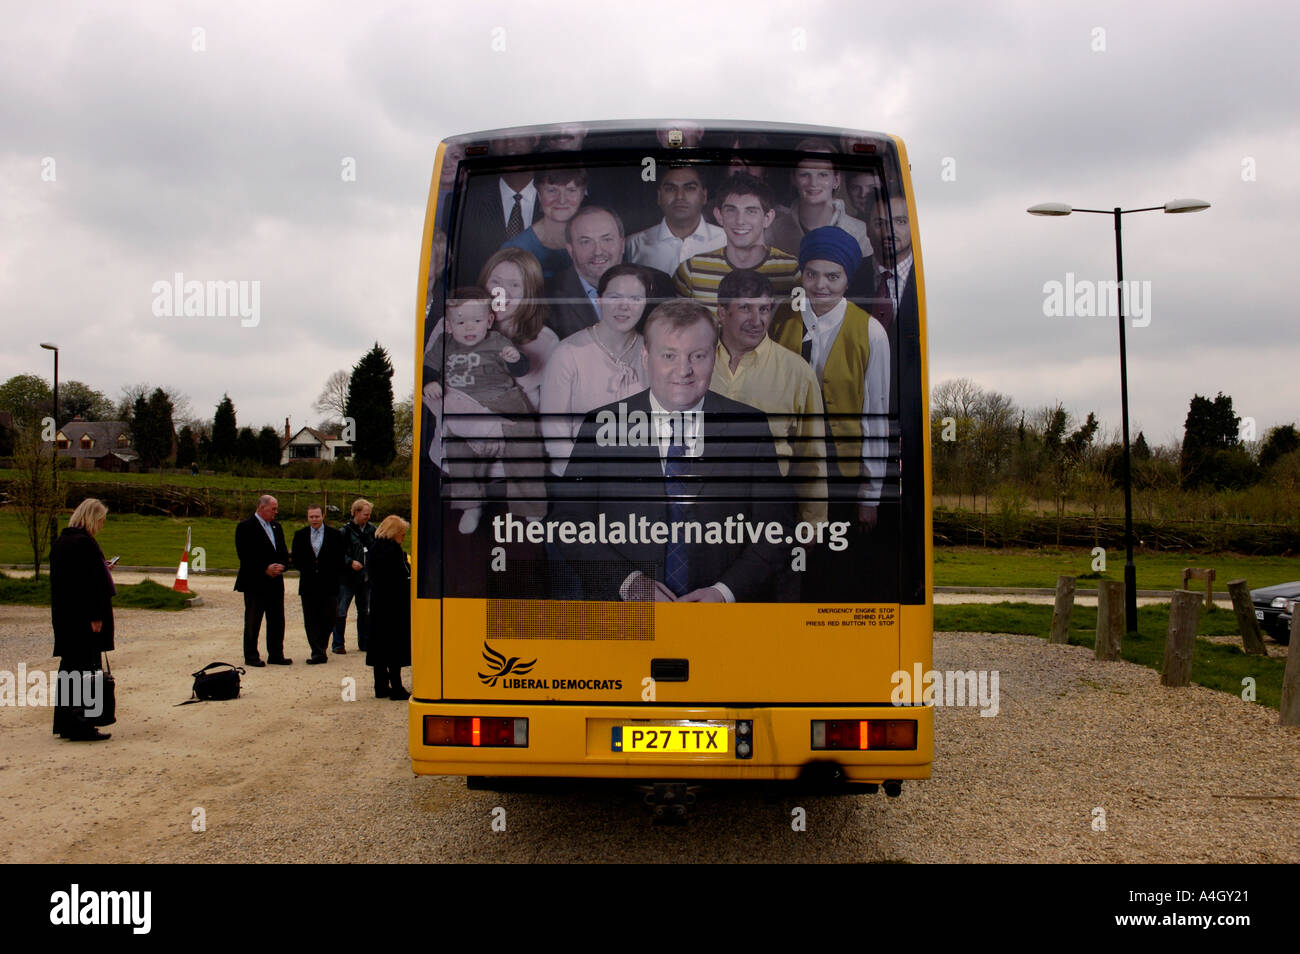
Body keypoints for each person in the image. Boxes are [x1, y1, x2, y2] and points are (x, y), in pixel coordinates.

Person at [553, 299, 792, 603]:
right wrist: (628, 583)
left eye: (698, 356)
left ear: (714, 357)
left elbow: (777, 530)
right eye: (669, 355)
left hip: (721, 621)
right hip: (625, 618)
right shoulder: (603, 426)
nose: (684, 370)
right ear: (645, 356)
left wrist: (724, 593)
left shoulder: (749, 426)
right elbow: (567, 523)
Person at [769, 227, 890, 530]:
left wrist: (871, 496)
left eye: (832, 277)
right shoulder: (780, 319)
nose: (820, 285)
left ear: (847, 279)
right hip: (785, 461)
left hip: (841, 469)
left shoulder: (871, 331)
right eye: (812, 274)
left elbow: (875, 414)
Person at [710, 269, 828, 526]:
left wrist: (813, 521)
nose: (757, 320)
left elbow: (812, 455)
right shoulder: (696, 363)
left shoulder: (796, 372)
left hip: (768, 510)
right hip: (703, 511)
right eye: (745, 309)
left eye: (763, 310)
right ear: (721, 312)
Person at [424, 287, 547, 534]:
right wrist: (431, 381)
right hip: (463, 403)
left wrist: (515, 359)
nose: (469, 328)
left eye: (477, 321)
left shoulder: (497, 341)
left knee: (526, 446)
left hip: (503, 399)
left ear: (489, 321)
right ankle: (470, 505)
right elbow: (428, 367)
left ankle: (531, 506)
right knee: (458, 451)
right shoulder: (443, 343)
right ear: (449, 324)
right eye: (461, 322)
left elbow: (521, 369)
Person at [540, 263, 652, 475]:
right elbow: (555, 433)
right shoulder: (567, 353)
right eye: (614, 297)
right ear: (599, 300)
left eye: (635, 299)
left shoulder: (654, 352)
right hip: (581, 478)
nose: (624, 306)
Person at [543, 205, 675, 340]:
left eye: (607, 239)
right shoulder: (546, 296)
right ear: (571, 250)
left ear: (622, 244)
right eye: (586, 242)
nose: (598, 251)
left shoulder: (659, 283)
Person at [673, 174, 799, 315]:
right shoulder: (691, 270)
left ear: (767, 218)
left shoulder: (793, 270)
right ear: (719, 215)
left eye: (751, 211)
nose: (740, 220)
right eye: (731, 210)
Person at [50, 498, 115, 741]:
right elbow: (89, 585)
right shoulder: (84, 544)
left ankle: (66, 721)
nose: (101, 526)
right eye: (100, 521)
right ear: (92, 518)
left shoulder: (62, 542)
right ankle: (82, 723)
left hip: (66, 617)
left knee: (69, 668)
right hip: (83, 618)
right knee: (86, 668)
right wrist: (96, 615)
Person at [766, 139, 873, 262]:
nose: (813, 183)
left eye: (823, 175)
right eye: (804, 174)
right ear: (793, 179)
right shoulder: (774, 231)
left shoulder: (861, 233)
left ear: (836, 180)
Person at [478, 247, 558, 409]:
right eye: (495, 282)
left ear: (530, 293)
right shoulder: (454, 326)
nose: (501, 293)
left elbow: (551, 411)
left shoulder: (547, 341)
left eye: (514, 285)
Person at [625, 165, 725, 275]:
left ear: (704, 196)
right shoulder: (633, 245)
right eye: (670, 189)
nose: (679, 196)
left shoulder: (726, 241)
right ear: (659, 196)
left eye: (690, 188)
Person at [234, 494, 291, 666]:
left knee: (277, 619)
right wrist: (264, 568)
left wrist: (282, 566)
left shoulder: (276, 527)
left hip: (275, 582)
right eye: (273, 509)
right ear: (261, 507)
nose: (276, 512)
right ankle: (251, 655)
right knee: (253, 619)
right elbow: (244, 554)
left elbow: (282, 551)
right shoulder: (245, 527)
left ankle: (276, 654)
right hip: (255, 582)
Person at [501, 168, 585, 280]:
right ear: (539, 195)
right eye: (552, 190)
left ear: (582, 195)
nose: (562, 200)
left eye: (571, 190)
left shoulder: (597, 241)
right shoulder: (515, 248)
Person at [291, 504, 344, 664]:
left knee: (330, 616)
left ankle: (321, 645)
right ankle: (318, 651)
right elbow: (296, 558)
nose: (314, 519)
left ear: (323, 516)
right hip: (308, 584)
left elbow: (339, 557)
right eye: (311, 517)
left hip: (329, 583)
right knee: (311, 618)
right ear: (307, 518)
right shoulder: (300, 535)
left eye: (317, 516)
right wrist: (309, 569)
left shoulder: (335, 535)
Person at [366, 515, 412, 700]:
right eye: (402, 534)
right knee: (394, 646)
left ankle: (381, 685)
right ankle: (396, 686)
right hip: (394, 604)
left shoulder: (374, 548)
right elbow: (401, 577)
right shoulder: (393, 551)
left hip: (378, 602)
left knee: (379, 645)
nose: (403, 537)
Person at [334, 498, 375, 654]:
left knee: (364, 611)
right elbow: (337, 553)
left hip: (366, 577)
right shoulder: (344, 532)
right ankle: (338, 643)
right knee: (341, 610)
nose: (368, 517)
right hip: (348, 578)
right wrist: (350, 562)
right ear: (356, 512)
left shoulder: (372, 530)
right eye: (365, 514)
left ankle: (364, 642)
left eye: (369, 514)